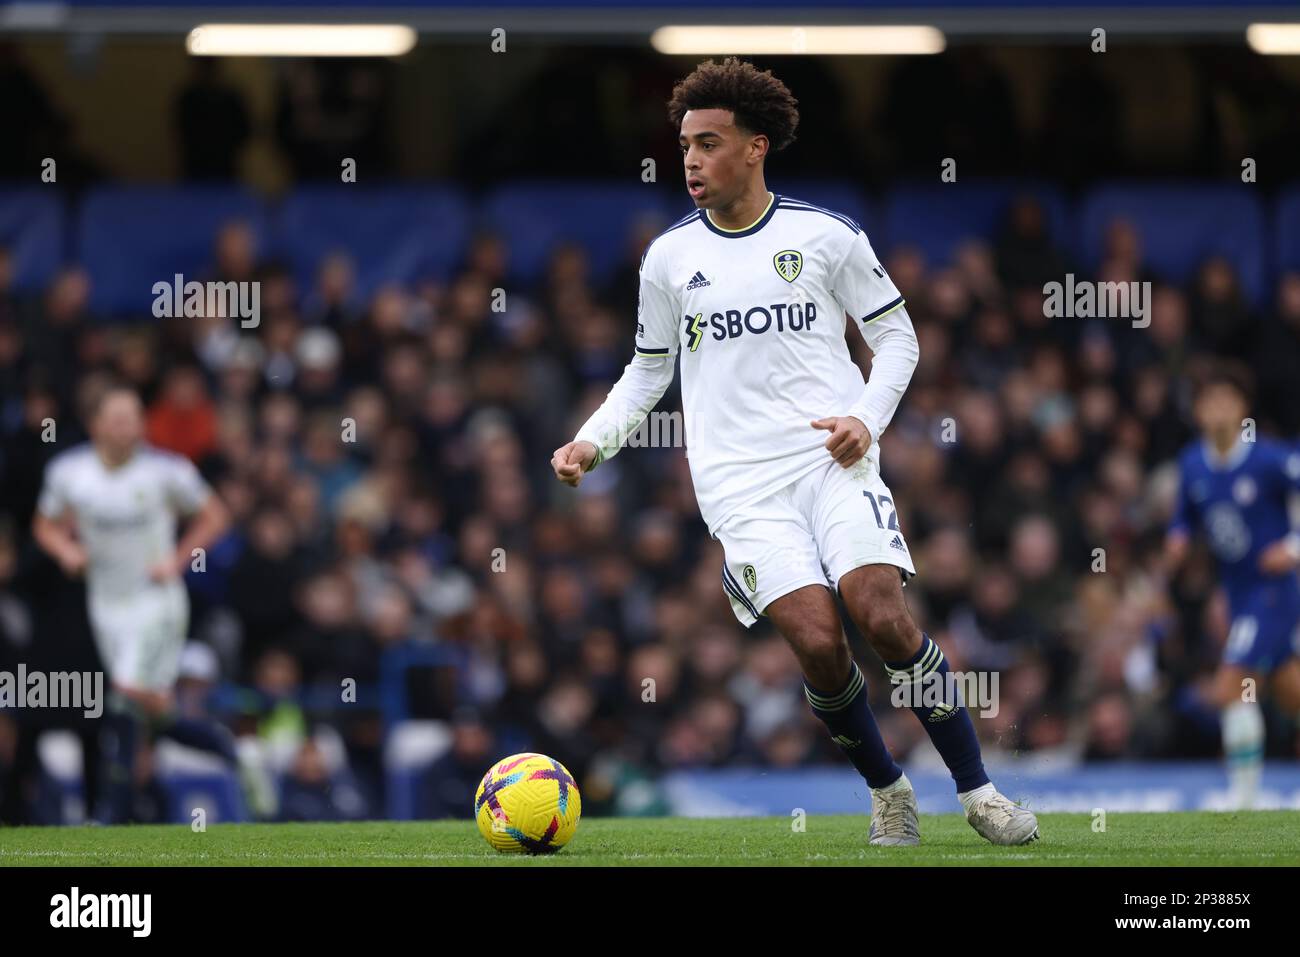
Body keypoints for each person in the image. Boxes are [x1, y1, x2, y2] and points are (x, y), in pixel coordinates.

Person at [551, 58, 1038, 845]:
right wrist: (590, 440)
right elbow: (648, 369)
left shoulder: (825, 235)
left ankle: (979, 791)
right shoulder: (669, 259)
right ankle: (889, 791)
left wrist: (866, 418)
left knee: (880, 613)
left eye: (709, 143)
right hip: (739, 485)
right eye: (684, 146)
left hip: (831, 459)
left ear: (756, 146)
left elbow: (898, 338)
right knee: (817, 640)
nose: (691, 161)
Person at [33, 384, 236, 822]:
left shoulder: (166, 471)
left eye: (135, 418)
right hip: (106, 605)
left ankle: (113, 811)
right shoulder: (69, 473)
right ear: (97, 424)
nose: (129, 428)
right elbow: (45, 525)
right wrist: (67, 551)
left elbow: (215, 515)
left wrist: (178, 559)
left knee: (124, 695)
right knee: (154, 710)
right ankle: (230, 750)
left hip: (155, 602)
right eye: (119, 418)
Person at [1164, 364, 1300, 808]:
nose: (1219, 410)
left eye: (1228, 401)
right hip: (1240, 594)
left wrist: (1293, 548)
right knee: (1290, 691)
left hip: (1276, 590)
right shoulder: (1191, 464)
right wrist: (1178, 541)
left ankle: (1244, 799)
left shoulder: (1271, 459)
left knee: (1232, 683)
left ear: (1243, 408)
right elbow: (1184, 517)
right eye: (1210, 401)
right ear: (1197, 411)